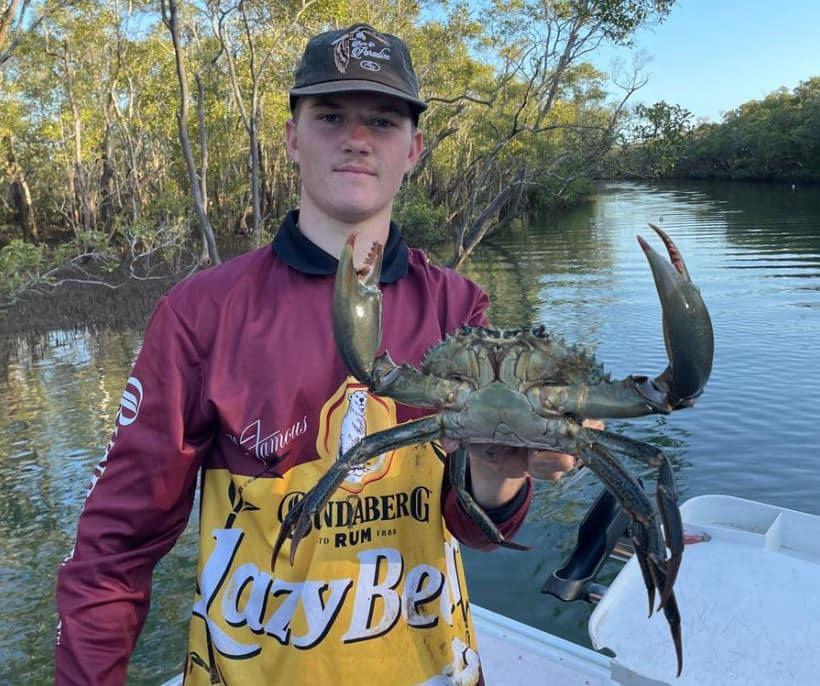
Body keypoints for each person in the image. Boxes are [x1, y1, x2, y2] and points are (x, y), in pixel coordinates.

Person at [55, 23, 582, 685]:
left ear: (413, 149)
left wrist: (500, 467)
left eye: (383, 121)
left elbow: (474, 528)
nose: (357, 138)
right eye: (330, 115)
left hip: (433, 670)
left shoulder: (458, 308)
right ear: (291, 139)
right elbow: (113, 548)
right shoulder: (203, 312)